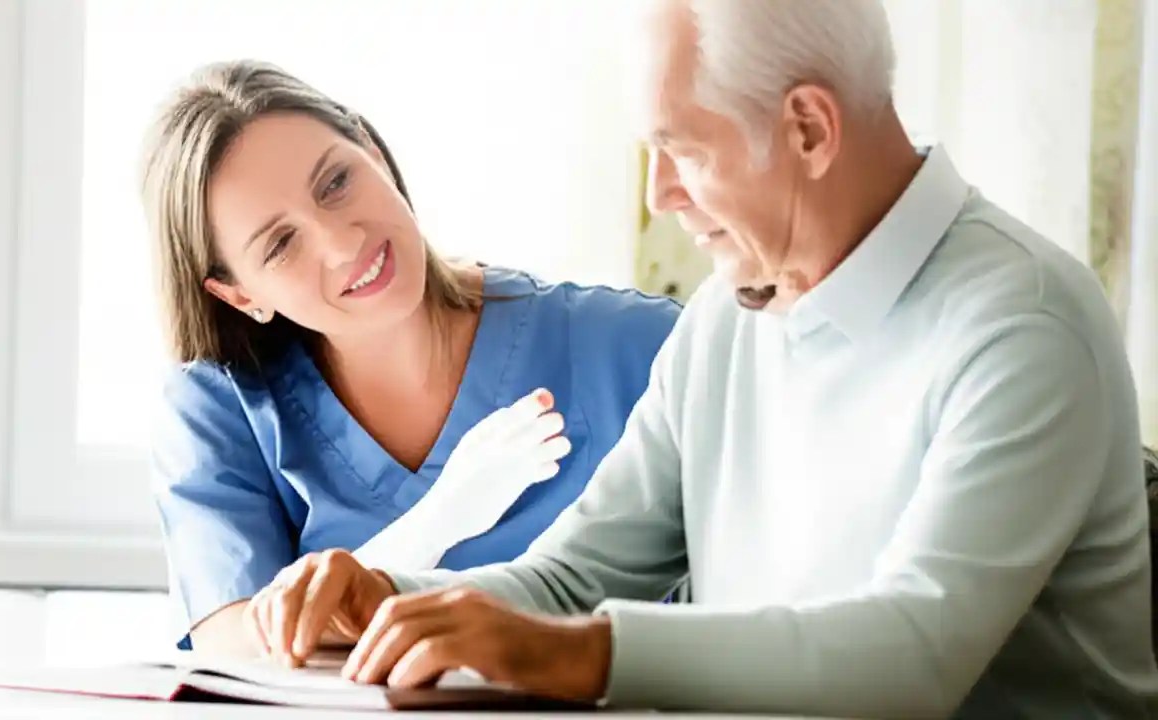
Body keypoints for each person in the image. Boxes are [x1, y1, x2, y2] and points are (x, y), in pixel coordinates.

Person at [248, 1, 1158, 717]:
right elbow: (576, 576)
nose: (662, 194)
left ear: (808, 128)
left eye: (681, 149)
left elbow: (913, 657)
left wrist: (577, 654)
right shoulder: (730, 316)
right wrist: (387, 599)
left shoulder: (1024, 325)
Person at [141, 60, 680, 657]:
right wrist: (441, 519)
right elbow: (231, 645)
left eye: (336, 182)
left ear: (372, 151)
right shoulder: (223, 409)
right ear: (241, 294)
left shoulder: (639, 347)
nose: (343, 242)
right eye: (281, 244)